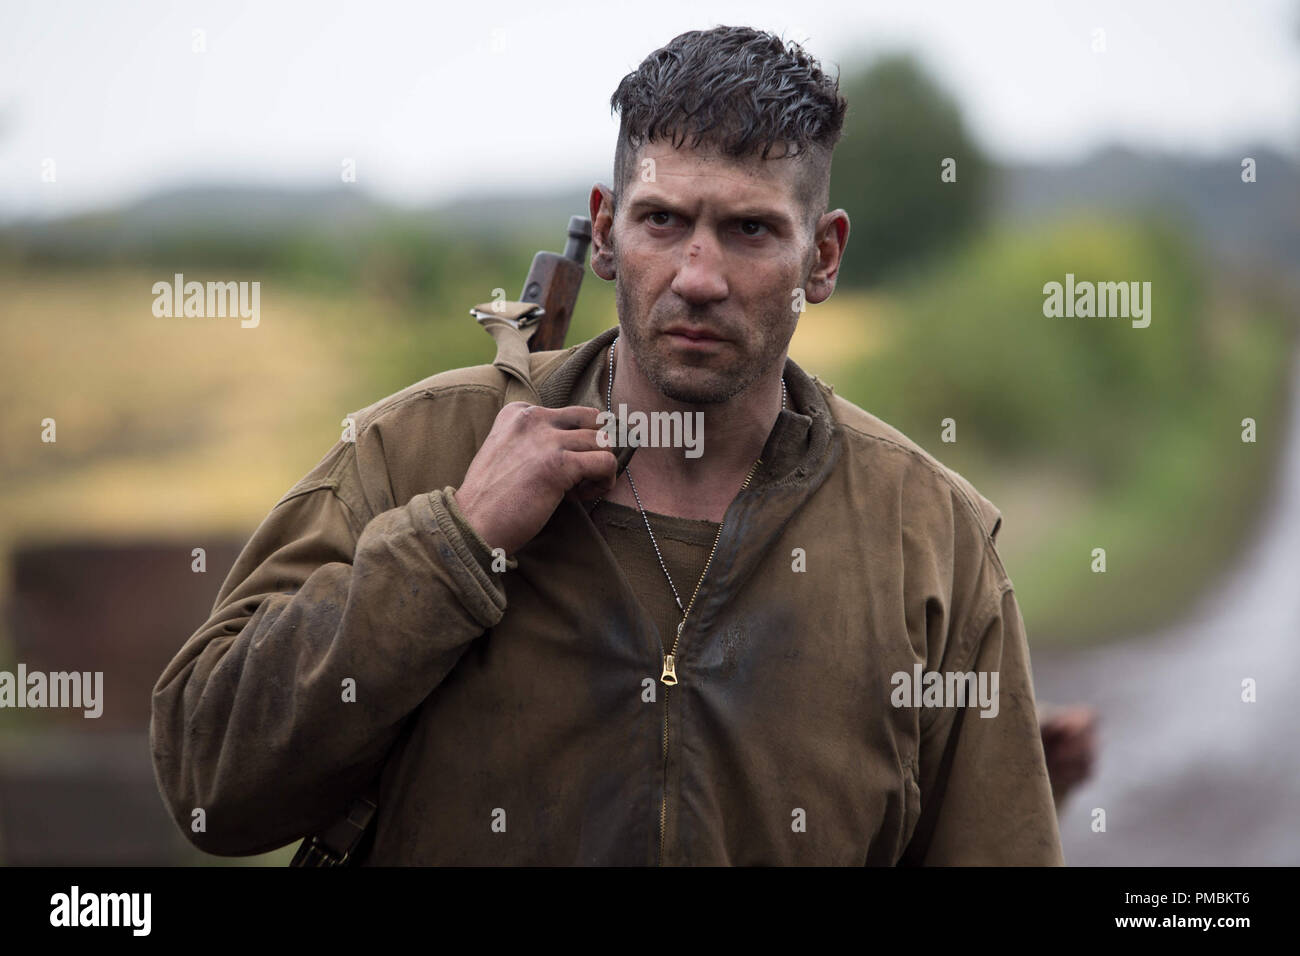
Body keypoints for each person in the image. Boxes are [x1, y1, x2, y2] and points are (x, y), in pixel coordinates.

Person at [151, 24, 1064, 865]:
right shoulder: (418, 451)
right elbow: (208, 784)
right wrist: (455, 545)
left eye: (750, 230)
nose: (699, 278)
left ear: (821, 257)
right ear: (607, 232)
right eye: (663, 221)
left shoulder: (929, 540)